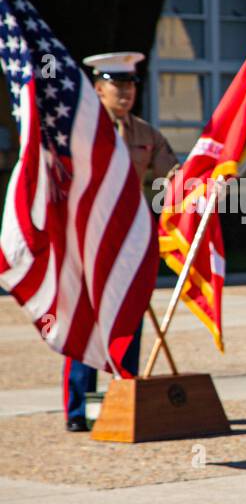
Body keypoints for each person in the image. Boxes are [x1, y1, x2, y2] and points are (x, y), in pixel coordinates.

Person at [62, 52, 180, 431]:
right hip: (89, 238)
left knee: (130, 315)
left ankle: (123, 398)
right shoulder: (78, 131)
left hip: (132, 239)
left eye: (130, 85)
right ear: (98, 90)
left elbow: (173, 176)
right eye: (117, 85)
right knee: (87, 322)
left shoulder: (146, 133)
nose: (125, 92)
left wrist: (210, 176)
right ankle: (78, 410)